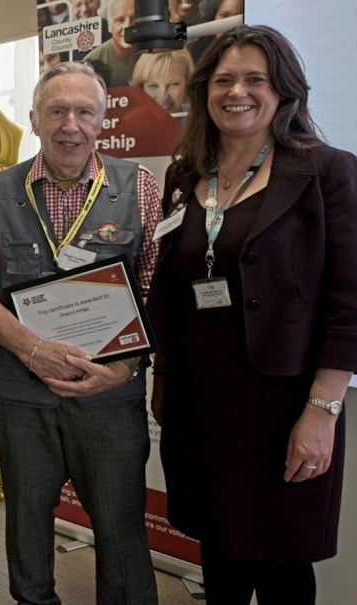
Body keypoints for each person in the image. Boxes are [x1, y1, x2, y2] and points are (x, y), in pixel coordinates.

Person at [145, 25, 357, 604]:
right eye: (223, 79)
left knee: (283, 557)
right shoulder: (184, 176)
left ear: (284, 90)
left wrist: (322, 411)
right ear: (205, 90)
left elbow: (349, 301)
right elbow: (171, 285)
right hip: (200, 401)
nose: (237, 92)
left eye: (255, 79)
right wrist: (162, 379)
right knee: (219, 549)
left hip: (283, 404)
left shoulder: (328, 173)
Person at [0, 61, 161, 604]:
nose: (70, 124)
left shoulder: (138, 186)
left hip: (110, 396)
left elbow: (153, 289)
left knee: (121, 531)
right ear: (33, 119)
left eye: (84, 112)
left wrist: (123, 368)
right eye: (56, 110)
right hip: (22, 397)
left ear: (101, 121)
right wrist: (34, 349)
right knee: (26, 525)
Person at [83, 0, 140, 87]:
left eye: (134, 19)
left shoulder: (156, 53)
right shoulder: (92, 63)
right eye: (120, 20)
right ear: (109, 25)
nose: (128, 26)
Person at [130, 49, 195, 118]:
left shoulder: (199, 118)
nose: (163, 95)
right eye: (153, 86)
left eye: (173, 84)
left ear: (187, 84)